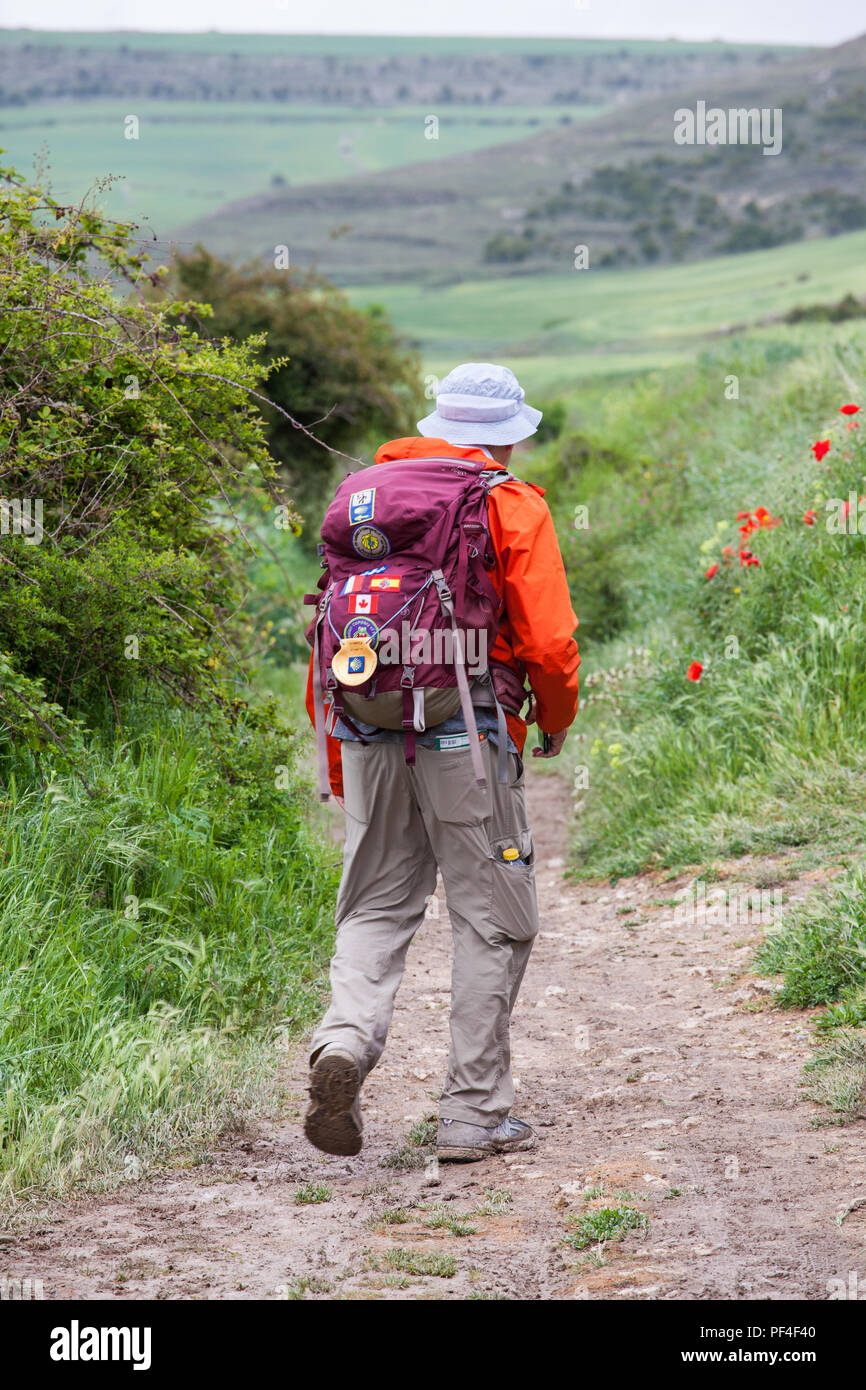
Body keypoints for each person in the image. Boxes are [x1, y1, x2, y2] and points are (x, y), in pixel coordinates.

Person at [303, 363, 580, 1161]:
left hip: (365, 730)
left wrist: (338, 754)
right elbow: (549, 643)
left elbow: (332, 633)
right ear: (507, 436)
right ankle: (473, 1113)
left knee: (374, 908)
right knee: (491, 917)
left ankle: (344, 1045)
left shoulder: (362, 497)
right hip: (468, 730)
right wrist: (552, 720)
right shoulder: (507, 502)